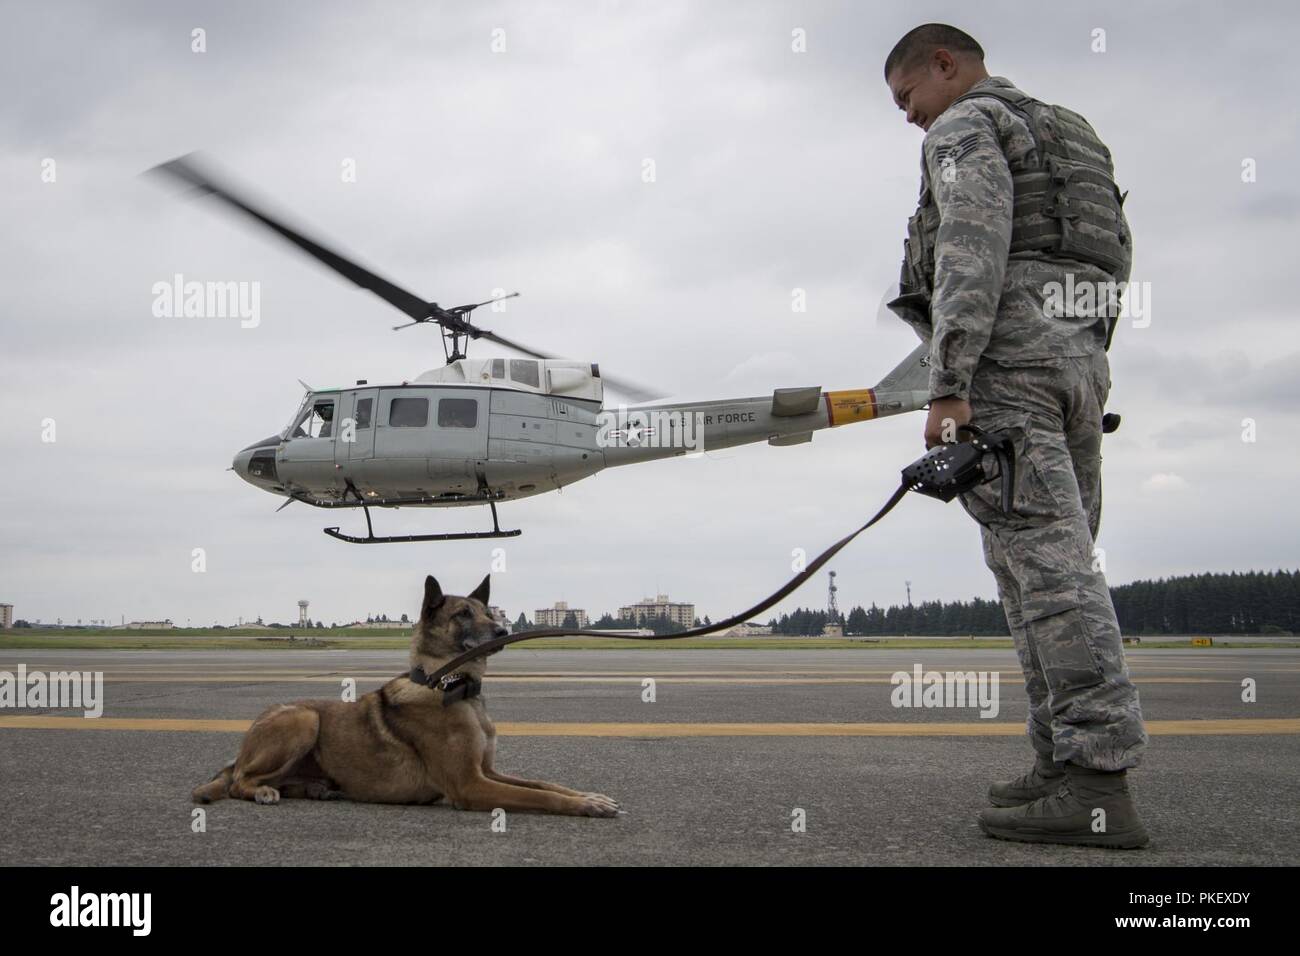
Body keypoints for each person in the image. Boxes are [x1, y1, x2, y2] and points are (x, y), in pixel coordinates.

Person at [883, 23, 1149, 848]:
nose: (909, 118)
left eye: (907, 98)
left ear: (944, 65)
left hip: (1011, 367)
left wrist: (951, 381)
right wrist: (1081, 357)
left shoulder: (968, 126)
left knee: (1053, 576)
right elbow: (1113, 256)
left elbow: (971, 246)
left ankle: (1097, 783)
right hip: (1078, 364)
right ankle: (1058, 764)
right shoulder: (1074, 133)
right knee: (1036, 567)